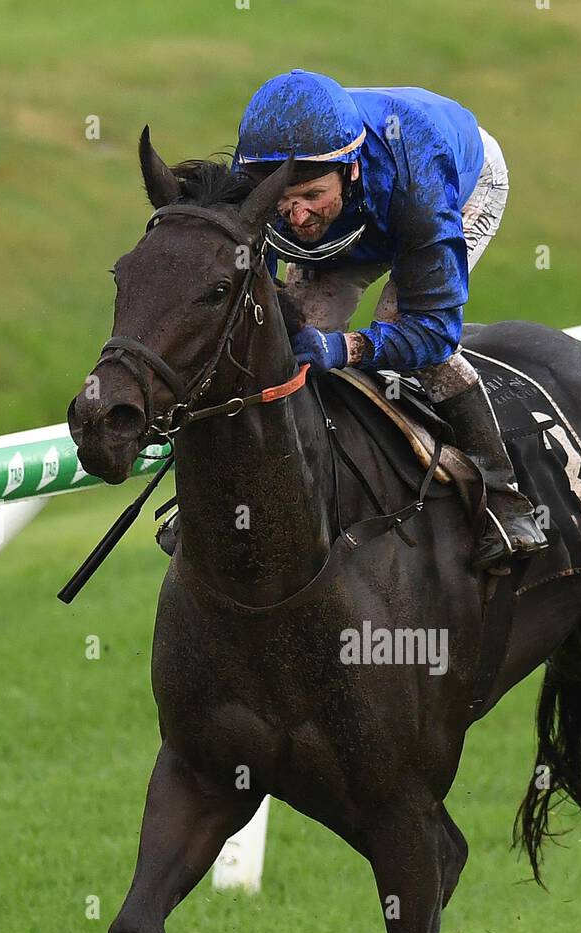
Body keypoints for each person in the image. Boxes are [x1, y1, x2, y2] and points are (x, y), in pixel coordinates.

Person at [231, 69, 547, 570]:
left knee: (399, 318)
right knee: (291, 338)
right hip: (359, 208)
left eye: (312, 195)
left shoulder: (418, 169)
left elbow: (436, 331)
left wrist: (346, 350)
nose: (295, 215)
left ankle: (503, 501)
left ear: (351, 169)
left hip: (454, 185)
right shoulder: (254, 170)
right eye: (281, 200)